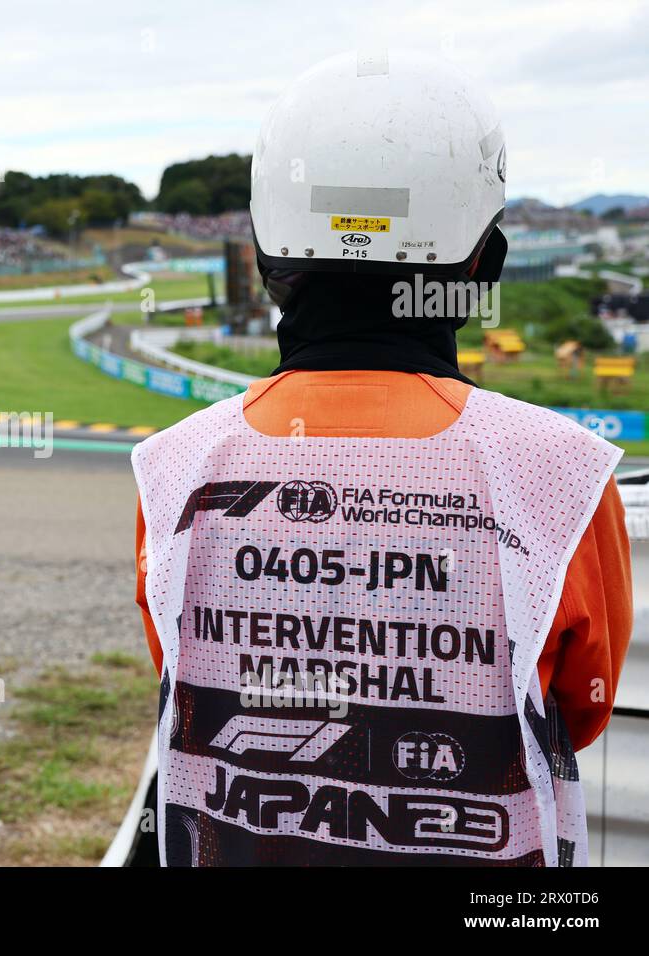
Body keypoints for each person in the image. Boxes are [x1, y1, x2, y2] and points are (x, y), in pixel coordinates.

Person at [132, 50, 631, 866]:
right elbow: (575, 710)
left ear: (264, 263)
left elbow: (180, 678)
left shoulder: (173, 466)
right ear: (486, 265)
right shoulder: (564, 472)